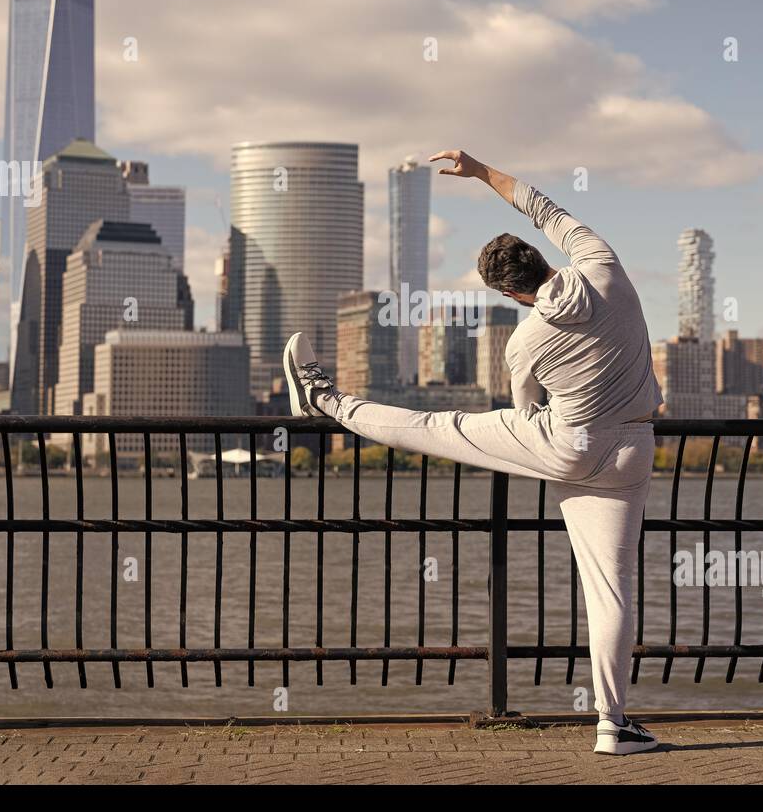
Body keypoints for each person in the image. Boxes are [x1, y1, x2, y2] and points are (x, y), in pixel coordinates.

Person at [283, 150, 663, 756]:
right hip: (633, 447)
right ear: (544, 257)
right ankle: (612, 724)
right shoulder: (602, 263)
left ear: (512, 292)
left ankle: (325, 401)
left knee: (435, 424)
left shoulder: (526, 339)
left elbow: (523, 409)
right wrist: (483, 171)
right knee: (611, 591)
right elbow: (541, 206)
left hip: (563, 446)